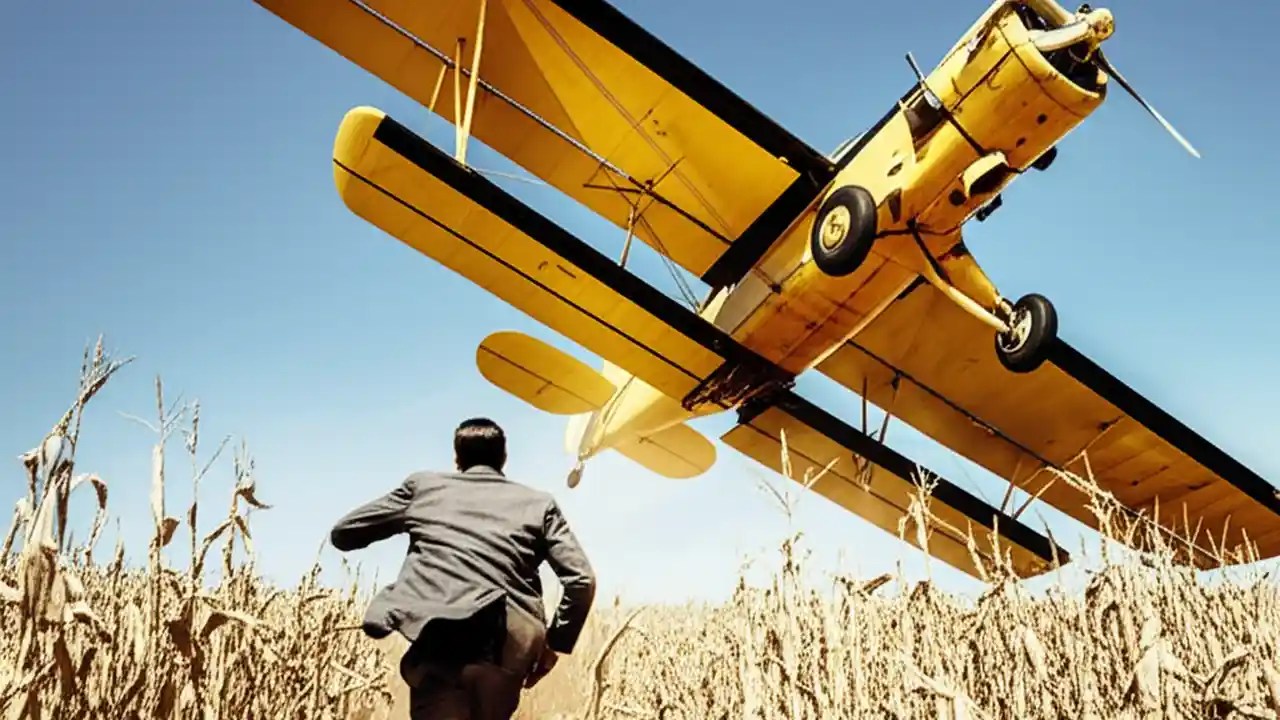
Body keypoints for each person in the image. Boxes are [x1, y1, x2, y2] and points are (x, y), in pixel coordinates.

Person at [329, 417, 597, 719]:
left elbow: (344, 533)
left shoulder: (424, 488)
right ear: (503, 458)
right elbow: (581, 580)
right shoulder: (539, 504)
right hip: (507, 647)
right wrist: (554, 645)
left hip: (442, 639)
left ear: (457, 459)